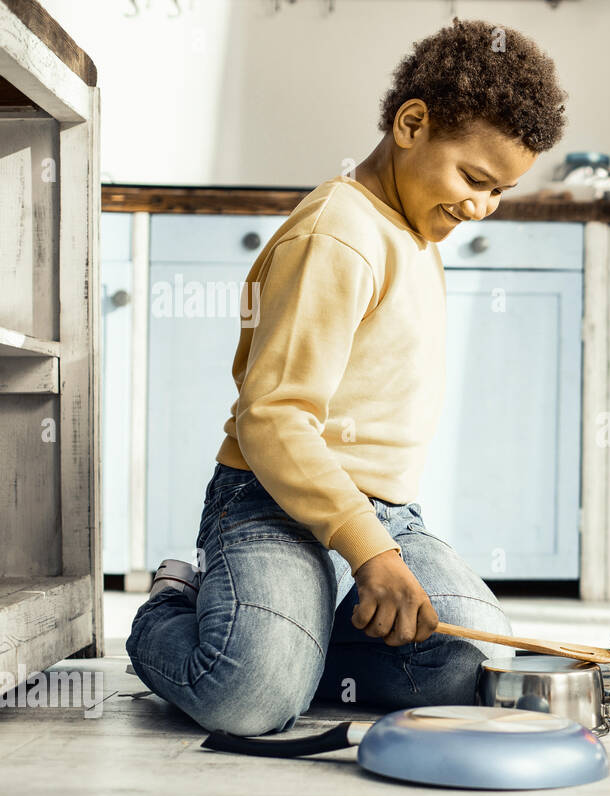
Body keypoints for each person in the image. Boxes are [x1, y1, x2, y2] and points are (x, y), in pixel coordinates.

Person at [127, 19, 567, 737]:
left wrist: (377, 544)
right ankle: (177, 604)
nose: (481, 207)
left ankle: (296, 635)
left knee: (471, 662)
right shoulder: (337, 234)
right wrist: (369, 552)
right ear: (412, 123)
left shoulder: (417, 226)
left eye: (501, 192)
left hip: (384, 515)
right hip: (271, 501)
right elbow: (271, 419)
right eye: (474, 179)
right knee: (250, 698)